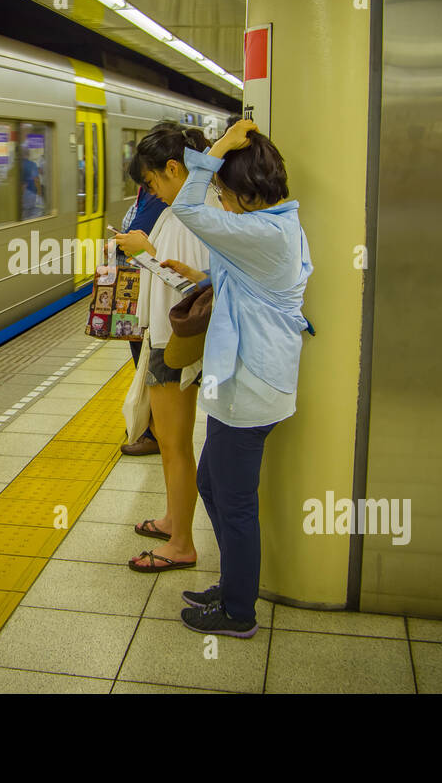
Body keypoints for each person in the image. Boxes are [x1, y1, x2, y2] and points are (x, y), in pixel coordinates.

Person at [163, 118, 313, 638]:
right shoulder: (278, 224)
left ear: (246, 194)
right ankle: (233, 586)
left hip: (251, 384)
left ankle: (239, 610)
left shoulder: (261, 231)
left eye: (224, 193)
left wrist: (220, 147)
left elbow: (184, 206)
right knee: (212, 483)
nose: (219, 202)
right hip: (244, 380)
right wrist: (202, 276)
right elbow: (250, 274)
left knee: (235, 501)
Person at [113, 122, 212, 574]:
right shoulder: (189, 206)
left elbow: (190, 285)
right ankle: (174, 519)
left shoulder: (194, 212)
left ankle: (182, 544)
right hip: (167, 338)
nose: (153, 190)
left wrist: (142, 252)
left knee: (173, 445)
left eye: (154, 180)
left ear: (175, 168)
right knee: (174, 444)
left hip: (175, 343)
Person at [116, 182, 167, 456]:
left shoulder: (160, 199)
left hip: (154, 305)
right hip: (149, 298)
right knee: (145, 361)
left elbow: (138, 231)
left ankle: (153, 432)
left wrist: (127, 240)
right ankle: (151, 428)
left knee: (149, 364)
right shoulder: (153, 194)